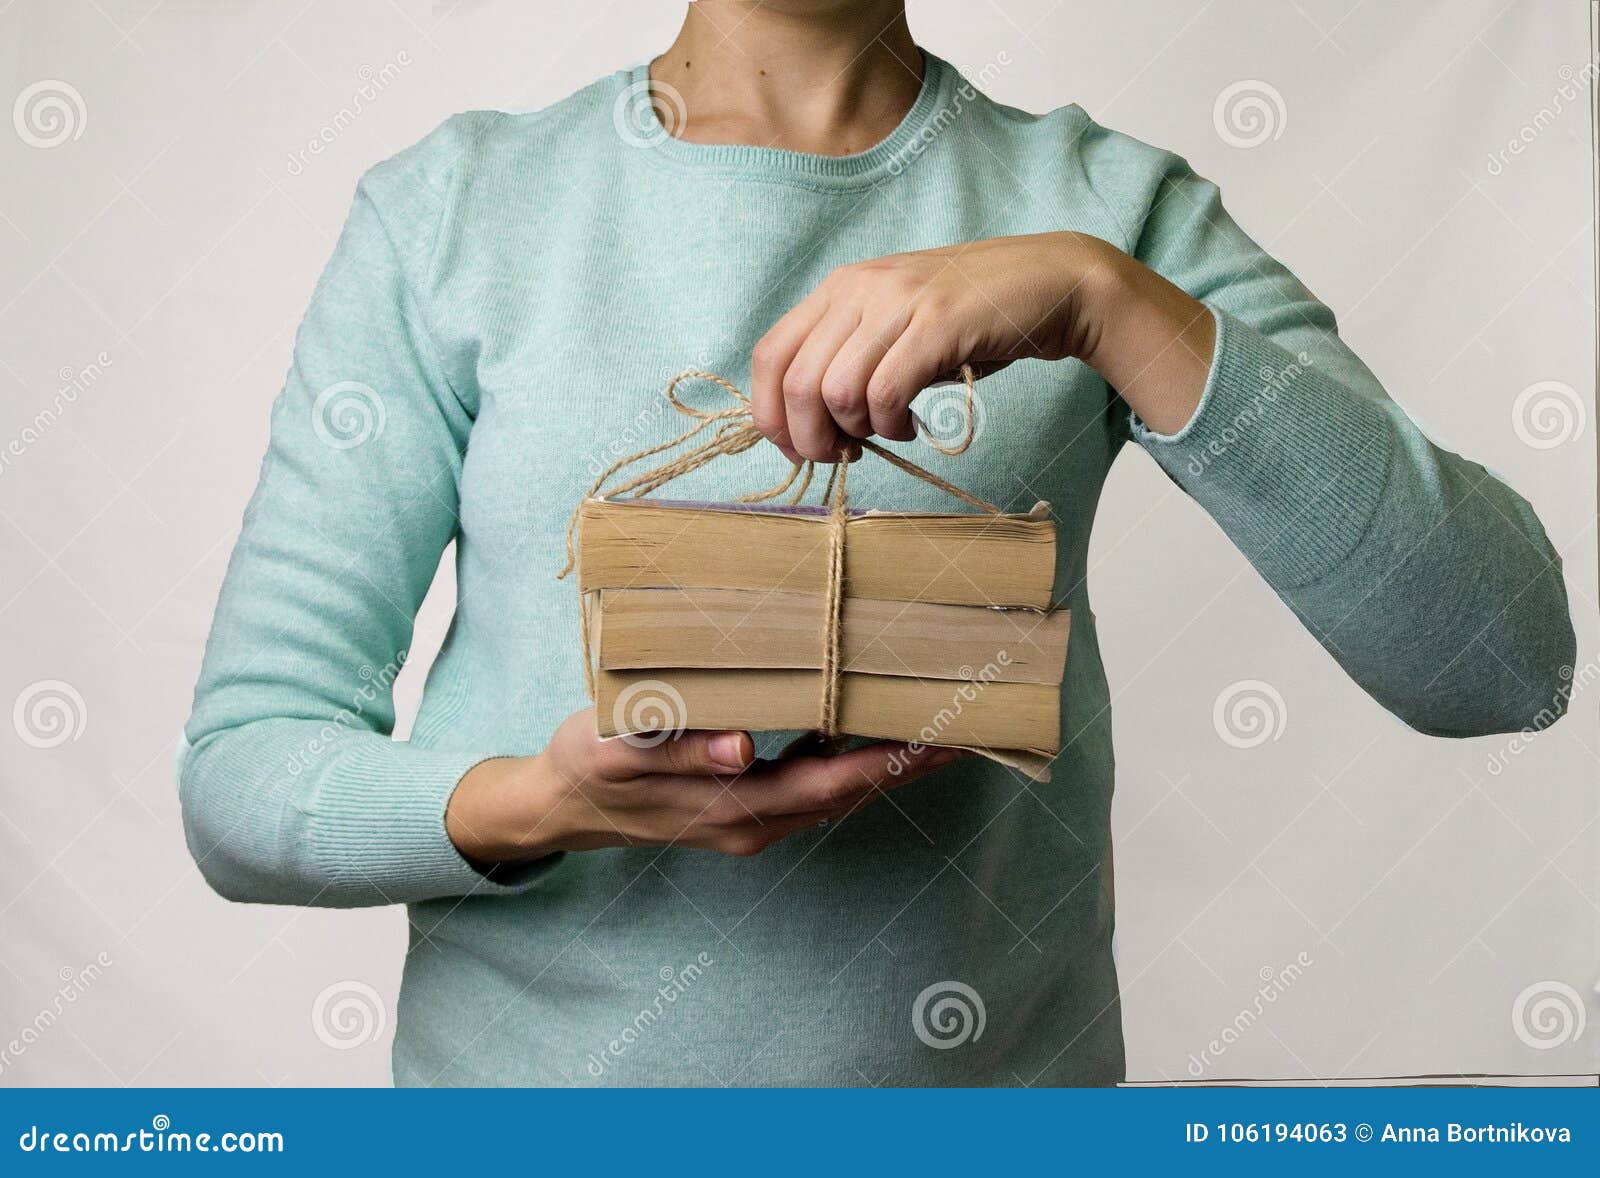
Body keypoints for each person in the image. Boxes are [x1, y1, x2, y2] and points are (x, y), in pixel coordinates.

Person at [179, 0, 1575, 1086]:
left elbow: (1502, 660)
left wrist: (1108, 305)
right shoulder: (453, 213)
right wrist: (543, 804)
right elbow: (243, 775)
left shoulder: (1110, 214)